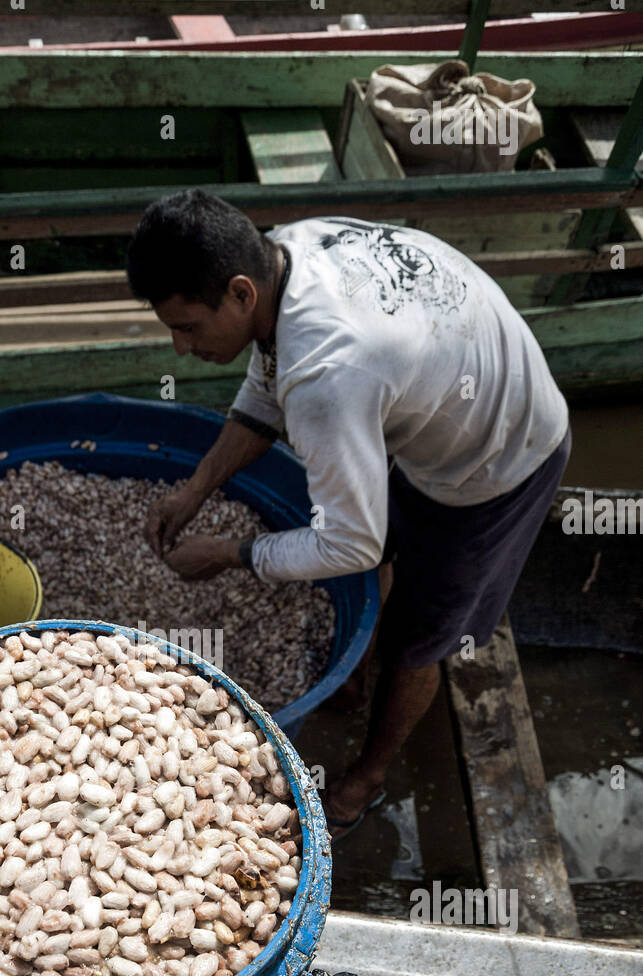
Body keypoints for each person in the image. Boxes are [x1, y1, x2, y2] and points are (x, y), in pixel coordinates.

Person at [125, 189, 571, 840]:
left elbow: (351, 547)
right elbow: (267, 383)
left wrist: (231, 555)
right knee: (372, 526)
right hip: (434, 396)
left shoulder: (328, 377)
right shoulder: (289, 249)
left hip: (500, 454)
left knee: (419, 637)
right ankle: (353, 677)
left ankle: (364, 778)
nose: (178, 348)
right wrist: (195, 488)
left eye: (188, 327)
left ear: (242, 293)